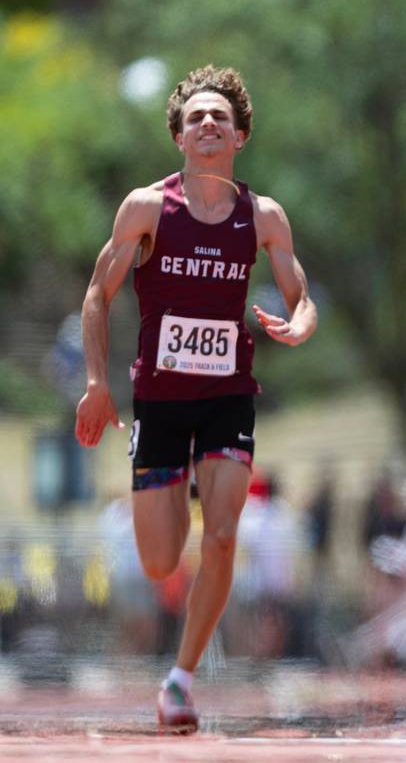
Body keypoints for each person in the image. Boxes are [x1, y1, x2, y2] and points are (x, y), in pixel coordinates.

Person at [74, 65, 317, 731]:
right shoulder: (147, 208)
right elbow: (98, 294)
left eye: (220, 118)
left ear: (240, 135)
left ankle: (179, 678)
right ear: (178, 137)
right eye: (195, 118)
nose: (208, 124)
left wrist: (298, 324)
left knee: (225, 534)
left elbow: (300, 296)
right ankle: (171, 494)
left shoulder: (262, 216)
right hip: (159, 400)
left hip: (227, 396)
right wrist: (97, 383)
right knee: (158, 559)